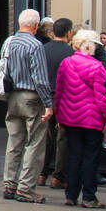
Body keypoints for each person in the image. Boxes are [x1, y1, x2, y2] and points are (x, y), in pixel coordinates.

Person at [55, 29, 106, 208]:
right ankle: (88, 196)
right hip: (91, 119)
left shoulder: (66, 63)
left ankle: (71, 194)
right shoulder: (97, 67)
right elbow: (102, 96)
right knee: (91, 157)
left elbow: (59, 91)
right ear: (89, 46)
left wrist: (59, 114)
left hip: (70, 117)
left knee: (74, 155)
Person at [0, 9, 53, 203]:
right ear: (36, 25)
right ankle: (26, 188)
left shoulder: (10, 42)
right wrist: (48, 104)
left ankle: (9, 183)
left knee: (14, 141)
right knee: (35, 142)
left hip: (13, 95)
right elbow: (40, 78)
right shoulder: (35, 45)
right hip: (31, 97)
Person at [39, 17, 76, 189]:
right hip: (64, 99)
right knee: (63, 138)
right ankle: (58, 176)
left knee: (45, 138)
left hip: (44, 97)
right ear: (69, 33)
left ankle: (41, 173)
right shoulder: (71, 53)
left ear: (53, 32)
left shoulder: (42, 50)